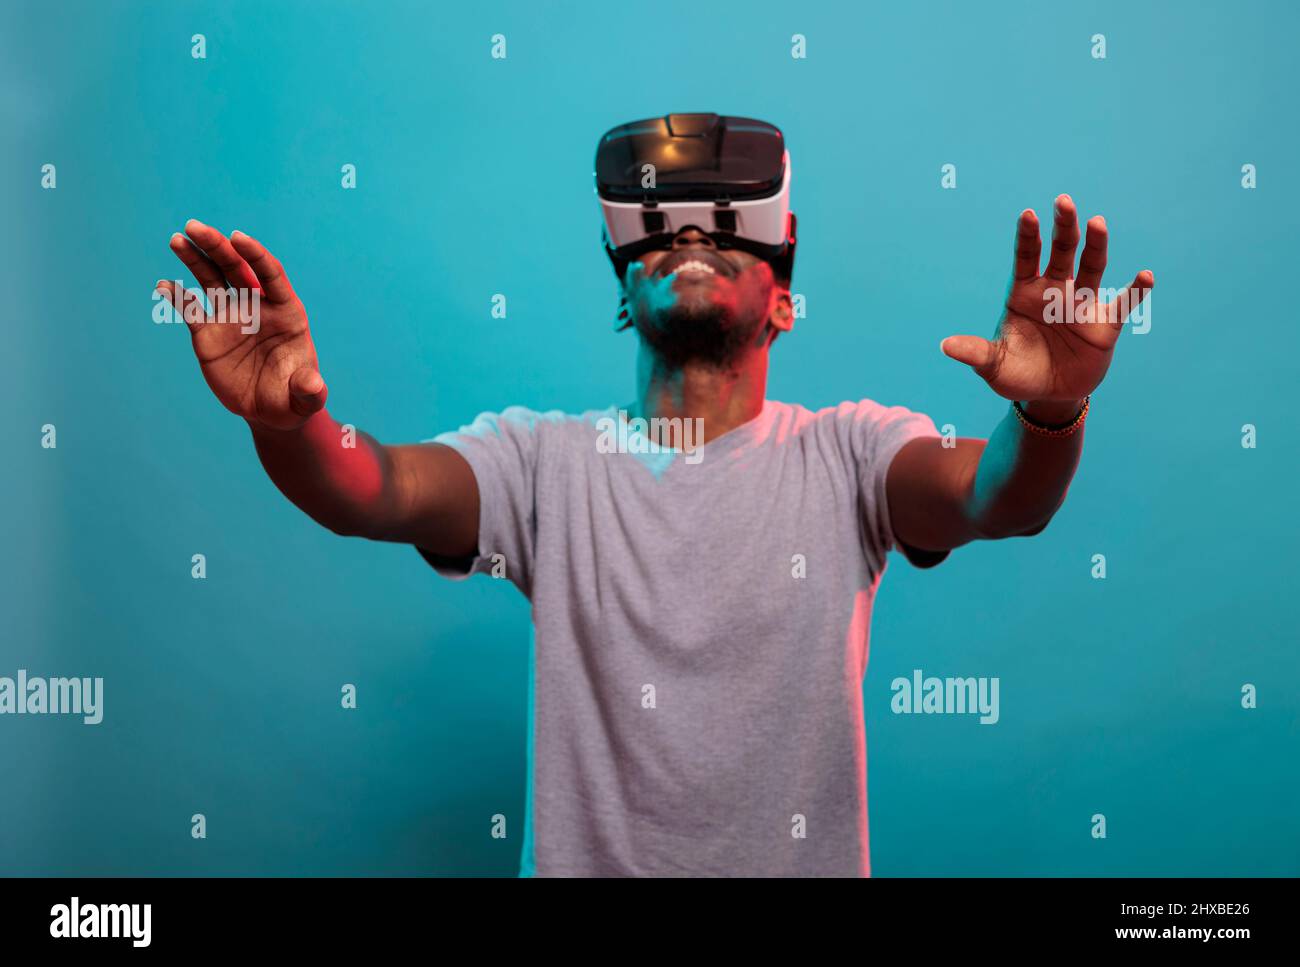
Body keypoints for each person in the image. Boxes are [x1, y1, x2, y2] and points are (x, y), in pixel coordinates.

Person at [154, 114, 1153, 877]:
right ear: (623, 299)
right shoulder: (541, 463)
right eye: (659, 233)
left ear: (784, 301)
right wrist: (287, 424)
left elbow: (997, 497)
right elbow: (371, 489)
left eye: (730, 233)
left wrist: (1052, 409)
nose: (690, 237)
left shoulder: (850, 453)